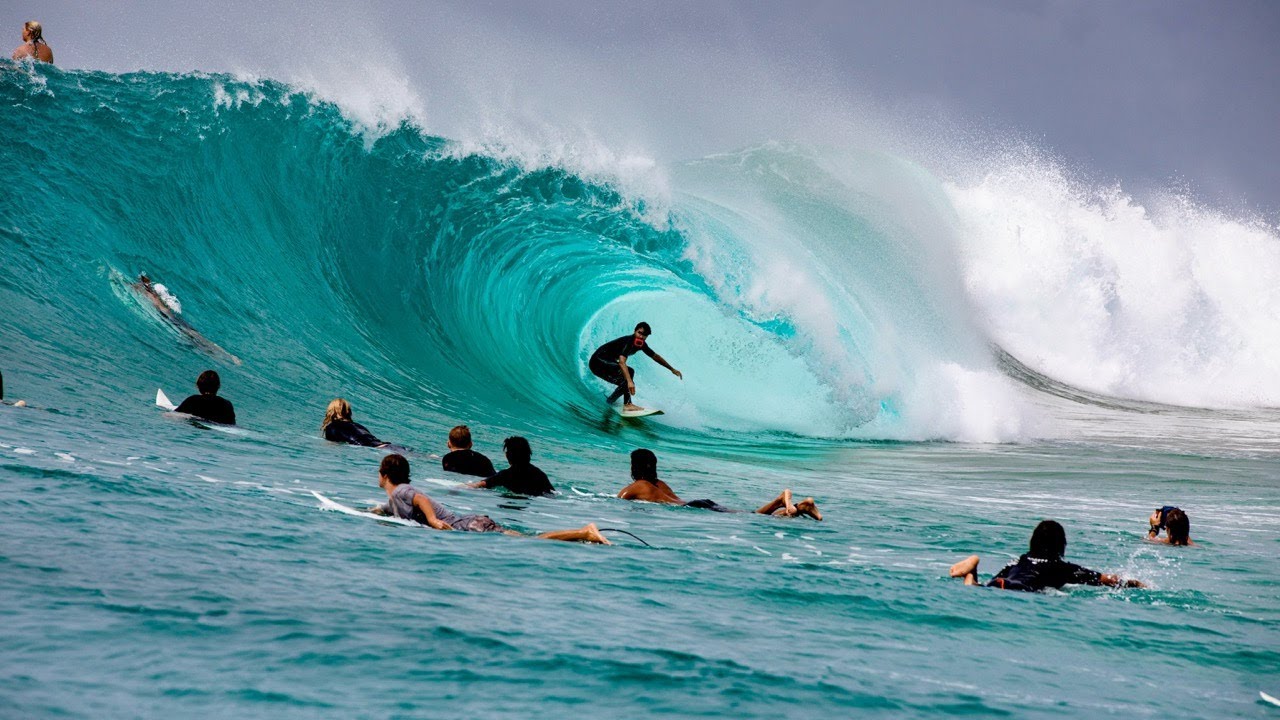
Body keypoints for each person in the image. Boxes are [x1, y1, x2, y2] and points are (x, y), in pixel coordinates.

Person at [369, 454, 608, 543]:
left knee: (533, 540)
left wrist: (432, 520)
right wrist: (375, 511)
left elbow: (418, 497)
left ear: (384, 475)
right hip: (471, 523)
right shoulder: (394, 500)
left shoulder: (401, 491)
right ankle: (583, 534)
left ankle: (585, 532)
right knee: (531, 539)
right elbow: (388, 508)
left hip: (470, 526)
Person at [617, 449, 823, 520]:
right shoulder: (658, 482)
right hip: (700, 502)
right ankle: (798, 507)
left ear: (636, 466)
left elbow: (618, 499)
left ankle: (781, 500)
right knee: (749, 515)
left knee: (750, 518)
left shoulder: (639, 485)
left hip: (693, 507)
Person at [949, 520, 1145, 591]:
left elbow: (1005, 574)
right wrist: (1133, 583)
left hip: (1000, 582)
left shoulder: (1021, 559)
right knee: (982, 590)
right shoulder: (1061, 567)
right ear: (1060, 545)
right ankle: (971, 571)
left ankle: (972, 570)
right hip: (1018, 588)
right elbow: (1104, 579)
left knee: (980, 588)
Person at [132, 274, 242, 365]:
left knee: (194, 339)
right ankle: (228, 355)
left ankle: (221, 357)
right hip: (175, 317)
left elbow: (135, 289)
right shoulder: (155, 294)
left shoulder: (147, 293)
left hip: (169, 318)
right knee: (196, 335)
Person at [589, 322, 682, 412]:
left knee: (624, 384)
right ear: (635, 331)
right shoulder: (628, 342)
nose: (641, 337)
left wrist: (672, 369)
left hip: (603, 365)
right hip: (597, 361)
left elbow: (655, 356)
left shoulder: (642, 345)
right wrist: (630, 381)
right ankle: (628, 405)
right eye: (639, 333)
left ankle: (610, 401)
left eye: (644, 335)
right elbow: (622, 362)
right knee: (629, 373)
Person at [467, 436, 554, 496]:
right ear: (528, 454)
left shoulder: (505, 475)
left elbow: (479, 485)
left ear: (508, 455)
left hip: (512, 501)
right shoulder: (540, 475)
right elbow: (552, 494)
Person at [321, 398, 390, 448]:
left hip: (374, 448)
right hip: (387, 446)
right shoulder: (357, 425)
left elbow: (333, 447)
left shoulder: (331, 427)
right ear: (348, 411)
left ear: (331, 411)